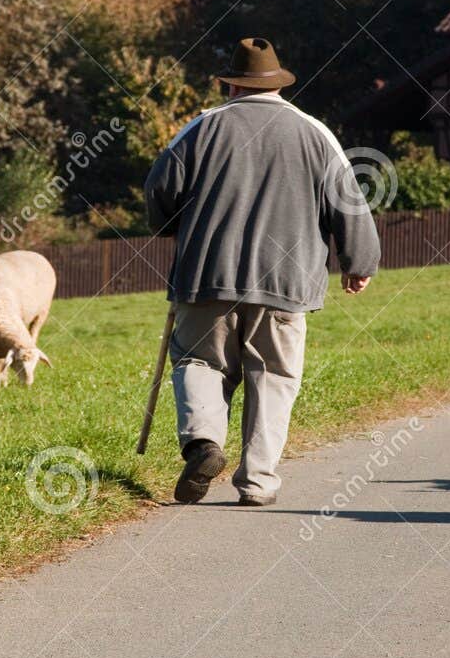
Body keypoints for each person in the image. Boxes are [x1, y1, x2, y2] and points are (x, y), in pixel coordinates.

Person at [144, 36, 381, 507]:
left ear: (230, 84)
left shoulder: (199, 129)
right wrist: (359, 262)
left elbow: (159, 194)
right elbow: (349, 203)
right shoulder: (315, 133)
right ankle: (256, 482)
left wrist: (173, 226)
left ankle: (204, 443)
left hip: (205, 274)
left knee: (199, 362)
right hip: (286, 283)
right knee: (272, 376)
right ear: (277, 83)